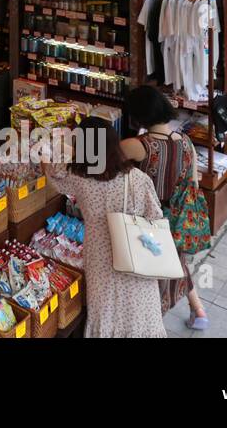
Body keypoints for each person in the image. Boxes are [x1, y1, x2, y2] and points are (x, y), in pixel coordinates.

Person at [43, 116, 167, 338]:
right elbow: (156, 218)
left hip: (99, 255)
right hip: (136, 254)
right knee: (139, 312)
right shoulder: (138, 179)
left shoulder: (79, 177)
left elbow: (52, 172)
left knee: (104, 311)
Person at [120, 86, 211, 330]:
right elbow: (193, 184)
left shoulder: (138, 145)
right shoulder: (186, 143)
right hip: (177, 223)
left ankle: (150, 326)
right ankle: (198, 309)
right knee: (177, 263)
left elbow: (102, 165)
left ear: (139, 115)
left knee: (152, 276)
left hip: (147, 223)